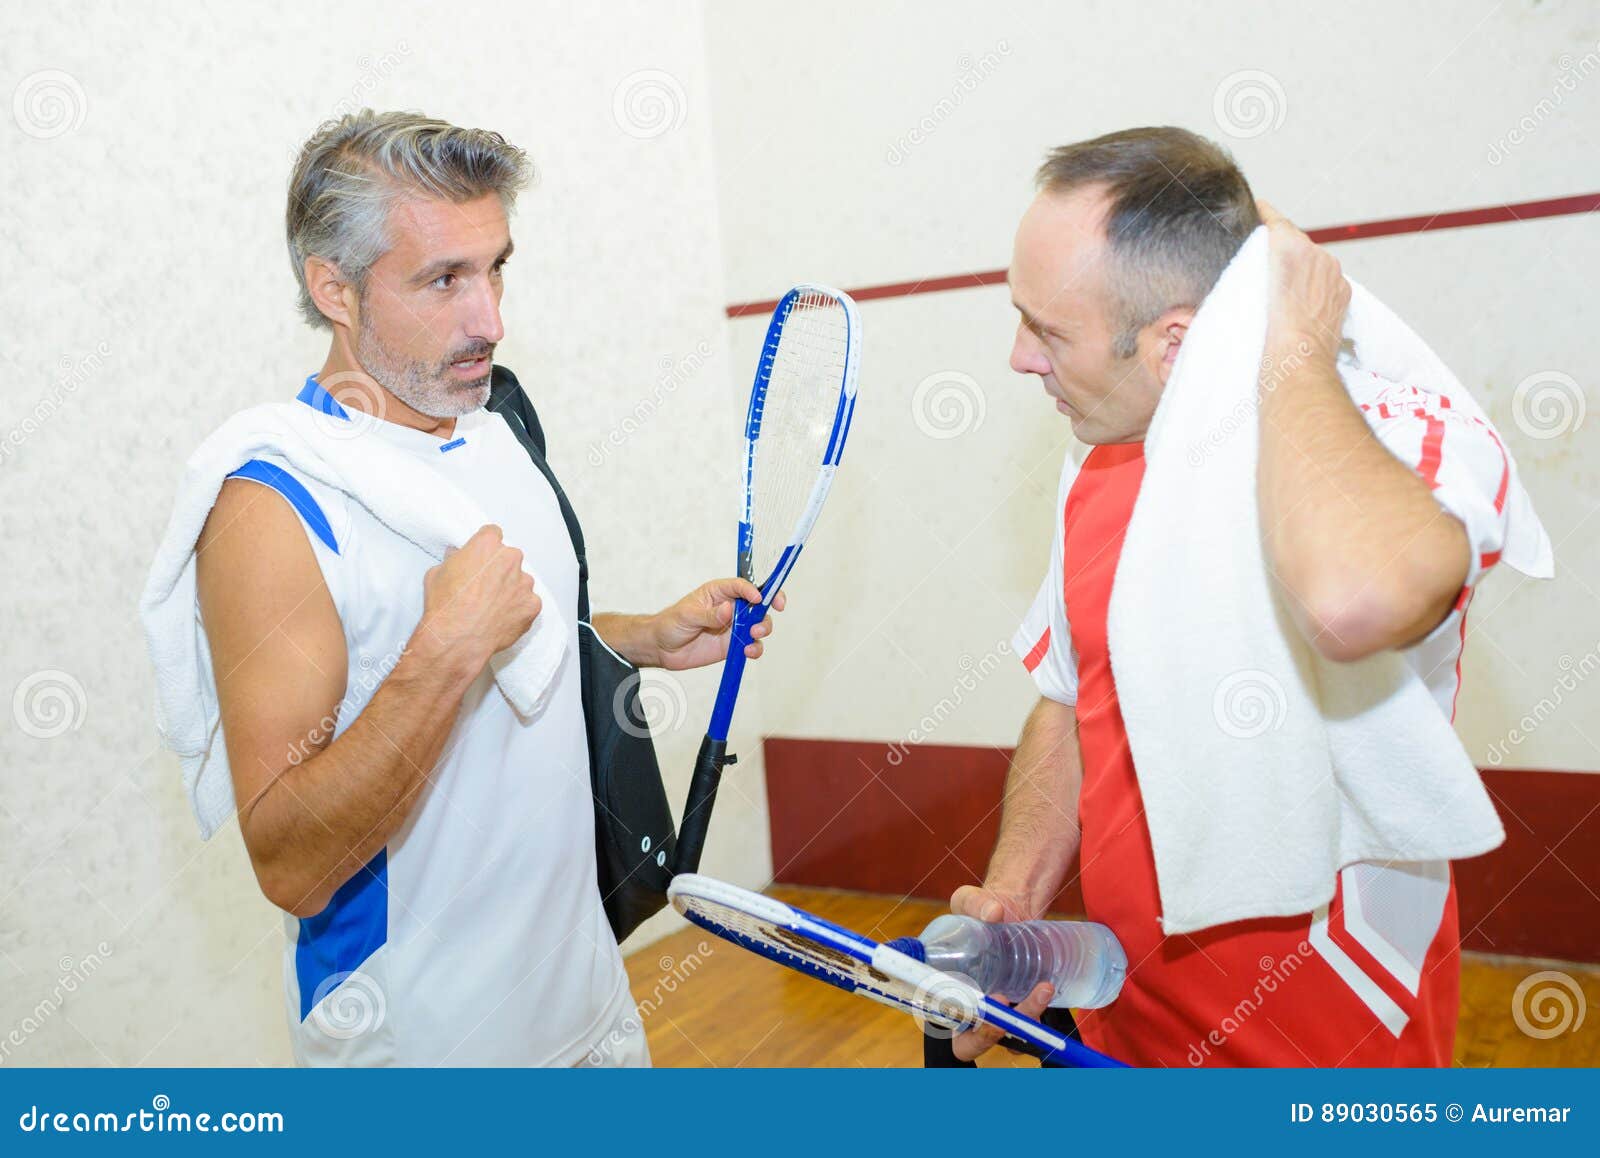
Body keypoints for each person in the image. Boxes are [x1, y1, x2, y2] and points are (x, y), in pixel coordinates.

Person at [192, 109, 782, 1066]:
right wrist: (446, 651)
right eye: (444, 280)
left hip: (588, 1001)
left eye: (497, 265)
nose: (491, 319)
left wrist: (632, 636)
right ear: (332, 289)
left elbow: (524, 633)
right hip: (423, 1049)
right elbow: (291, 863)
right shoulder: (276, 507)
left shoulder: (494, 420)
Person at [952, 127, 1517, 1066]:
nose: (1018, 358)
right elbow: (1069, 697)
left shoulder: (1401, 433)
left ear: (1174, 341)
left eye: (1048, 330)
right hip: (1123, 1026)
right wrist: (1015, 902)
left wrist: (1292, 337)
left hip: (1332, 1057)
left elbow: (1351, 601)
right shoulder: (1096, 455)